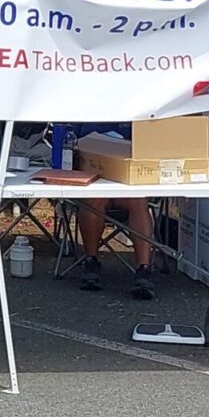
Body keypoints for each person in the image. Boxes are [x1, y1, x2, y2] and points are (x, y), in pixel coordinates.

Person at [69, 124, 155, 300]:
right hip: (93, 176)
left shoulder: (138, 114)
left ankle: (144, 269)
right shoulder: (81, 112)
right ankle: (91, 261)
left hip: (128, 178)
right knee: (93, 200)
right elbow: (70, 141)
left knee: (138, 200)